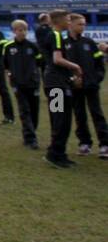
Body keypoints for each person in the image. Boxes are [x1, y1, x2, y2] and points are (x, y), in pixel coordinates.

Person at [41, 9, 81, 169]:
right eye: (68, 19)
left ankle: (59, 153)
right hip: (55, 85)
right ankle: (54, 154)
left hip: (57, 83)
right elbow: (57, 59)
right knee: (60, 120)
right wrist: (76, 67)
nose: (70, 22)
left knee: (62, 119)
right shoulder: (56, 35)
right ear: (59, 21)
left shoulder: (56, 36)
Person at [65, 13, 107, 159]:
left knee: (97, 115)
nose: (83, 27)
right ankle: (84, 143)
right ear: (70, 24)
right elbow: (61, 68)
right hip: (74, 88)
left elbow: (100, 65)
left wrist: (96, 79)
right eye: (80, 24)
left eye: (84, 24)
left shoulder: (89, 43)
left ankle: (104, 145)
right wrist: (71, 80)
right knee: (79, 115)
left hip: (91, 86)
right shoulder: (64, 45)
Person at [1, 19, 42, 150]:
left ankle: (31, 132)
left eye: (24, 30)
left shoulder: (33, 46)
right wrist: (10, 76)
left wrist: (36, 76)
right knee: (24, 111)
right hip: (18, 84)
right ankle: (30, 139)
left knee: (34, 111)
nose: (22, 32)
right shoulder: (8, 47)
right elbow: (5, 65)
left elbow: (41, 63)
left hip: (33, 83)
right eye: (19, 30)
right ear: (14, 31)